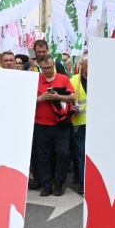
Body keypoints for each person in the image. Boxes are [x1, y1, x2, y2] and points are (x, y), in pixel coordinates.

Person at [33, 55, 76, 196]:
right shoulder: (36, 80)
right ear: (40, 67)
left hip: (60, 124)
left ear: (54, 65)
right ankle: (46, 185)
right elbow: (27, 100)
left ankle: (59, 182)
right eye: (45, 68)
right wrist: (40, 98)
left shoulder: (63, 79)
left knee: (64, 154)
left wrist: (58, 97)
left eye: (50, 67)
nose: (48, 70)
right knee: (43, 156)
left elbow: (73, 97)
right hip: (41, 125)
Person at [70, 55, 88, 194]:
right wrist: (72, 105)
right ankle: (83, 183)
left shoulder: (101, 79)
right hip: (79, 124)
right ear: (82, 65)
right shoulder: (74, 80)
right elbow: (68, 98)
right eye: (87, 65)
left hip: (96, 126)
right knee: (81, 154)